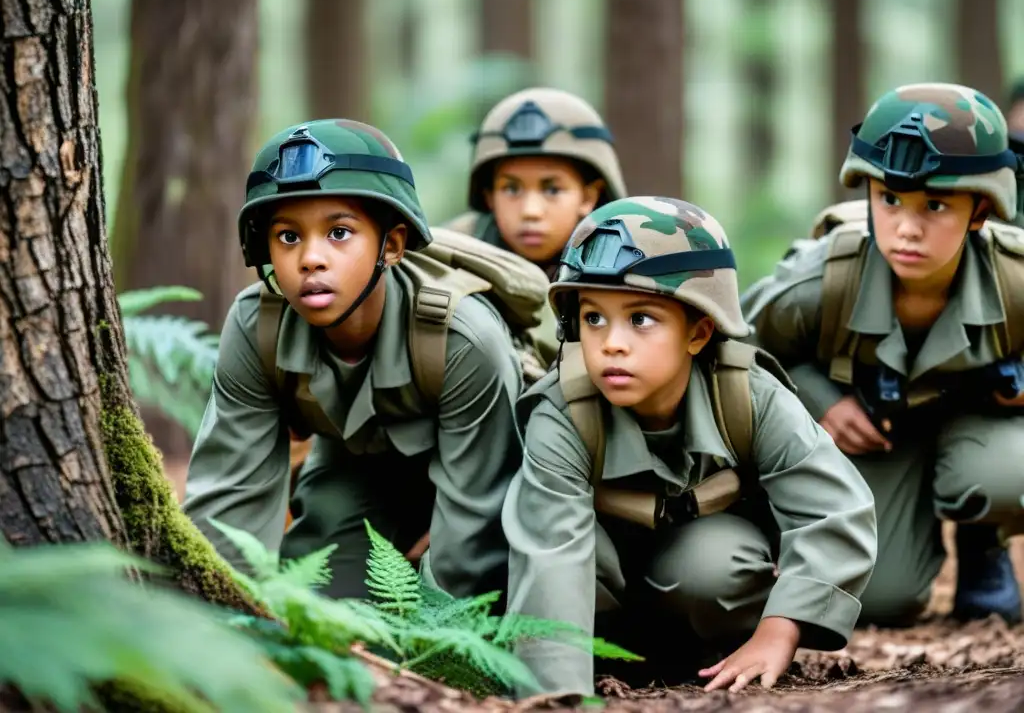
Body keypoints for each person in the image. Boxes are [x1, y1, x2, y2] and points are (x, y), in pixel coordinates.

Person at [502, 196, 877, 697]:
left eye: (640, 319)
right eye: (593, 318)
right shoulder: (563, 413)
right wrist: (554, 696)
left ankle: (700, 657)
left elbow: (837, 509)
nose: (611, 342)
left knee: (720, 562)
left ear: (699, 331)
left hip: (702, 589)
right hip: (596, 603)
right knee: (566, 556)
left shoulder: (747, 395)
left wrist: (779, 631)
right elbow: (551, 554)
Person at [182, 119, 528, 601]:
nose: (310, 258)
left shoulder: (462, 339)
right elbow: (228, 502)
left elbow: (478, 530)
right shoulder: (256, 326)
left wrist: (438, 642)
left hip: (479, 480)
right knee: (319, 599)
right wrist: (217, 623)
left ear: (391, 245)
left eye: (339, 233)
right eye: (287, 237)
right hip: (356, 470)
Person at [742, 83, 1024, 627]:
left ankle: (981, 538)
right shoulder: (820, 284)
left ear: (981, 210)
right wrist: (820, 401)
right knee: (880, 602)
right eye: (889, 199)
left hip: (978, 432)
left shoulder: (1014, 280)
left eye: (935, 205)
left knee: (1009, 474)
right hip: (875, 434)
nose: (906, 228)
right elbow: (736, 356)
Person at [444, 88, 628, 367]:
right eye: (511, 188)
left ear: (588, 196)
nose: (530, 211)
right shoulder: (448, 259)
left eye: (552, 189)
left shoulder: (631, 261)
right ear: (489, 196)